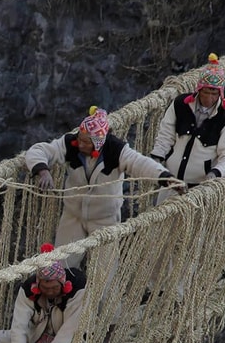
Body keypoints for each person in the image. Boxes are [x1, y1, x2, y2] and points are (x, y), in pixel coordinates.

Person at [23, 106, 173, 267]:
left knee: (104, 270)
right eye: (79, 139)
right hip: (73, 215)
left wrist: (165, 177)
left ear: (98, 143)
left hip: (105, 220)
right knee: (62, 265)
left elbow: (140, 163)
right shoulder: (70, 144)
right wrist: (43, 170)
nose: (80, 144)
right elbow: (39, 150)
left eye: (86, 142)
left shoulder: (116, 150)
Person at [150, 53, 225, 203]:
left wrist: (216, 173)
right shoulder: (180, 105)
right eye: (206, 92)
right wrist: (157, 159)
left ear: (220, 93)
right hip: (170, 183)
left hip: (199, 191)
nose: (209, 98)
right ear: (199, 89)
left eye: (214, 93)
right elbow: (165, 136)